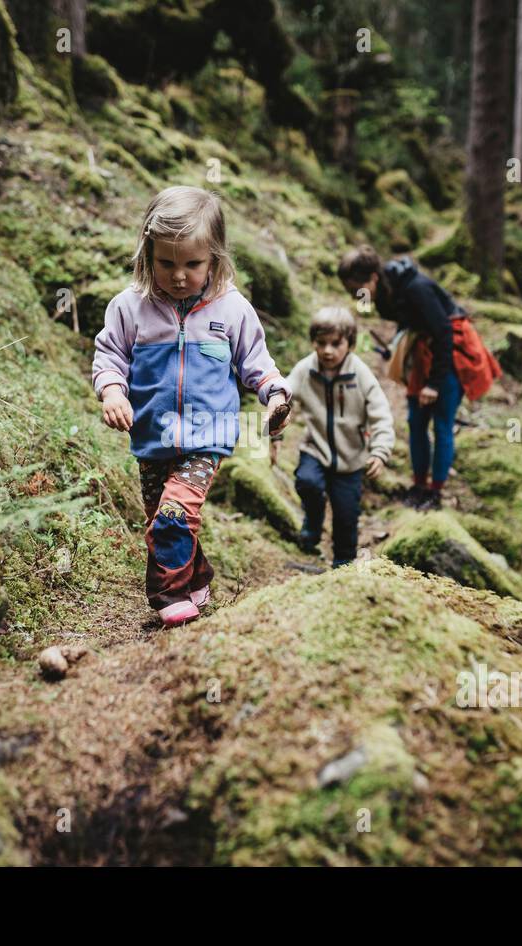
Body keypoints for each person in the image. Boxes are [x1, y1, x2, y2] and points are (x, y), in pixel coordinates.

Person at [92, 186, 292, 627]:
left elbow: (256, 363)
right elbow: (110, 356)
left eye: (192, 264)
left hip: (208, 435)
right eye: (167, 263)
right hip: (151, 436)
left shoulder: (232, 309)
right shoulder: (130, 308)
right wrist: (113, 392)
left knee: (174, 514)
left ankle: (168, 595)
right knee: (163, 518)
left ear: (215, 260)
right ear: (147, 256)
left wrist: (276, 393)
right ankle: (197, 575)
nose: (179, 275)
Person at [338, 245, 463, 509]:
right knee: (416, 422)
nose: (356, 296)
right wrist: (395, 349)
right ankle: (418, 486)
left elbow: (443, 332)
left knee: (442, 425)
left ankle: (435, 493)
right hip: (422, 355)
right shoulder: (386, 293)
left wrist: (434, 383)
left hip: (448, 357)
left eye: (357, 289)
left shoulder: (417, 289)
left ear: (373, 277)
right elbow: (409, 323)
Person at [271, 307, 394, 566]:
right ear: (313, 342)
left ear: (349, 343)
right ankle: (313, 522)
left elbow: (381, 414)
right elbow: (282, 399)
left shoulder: (360, 374)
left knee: (346, 514)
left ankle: (343, 563)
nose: (327, 350)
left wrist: (380, 451)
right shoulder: (305, 370)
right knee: (307, 482)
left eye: (335, 344)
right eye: (321, 343)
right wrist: (273, 436)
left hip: (351, 459)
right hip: (315, 448)